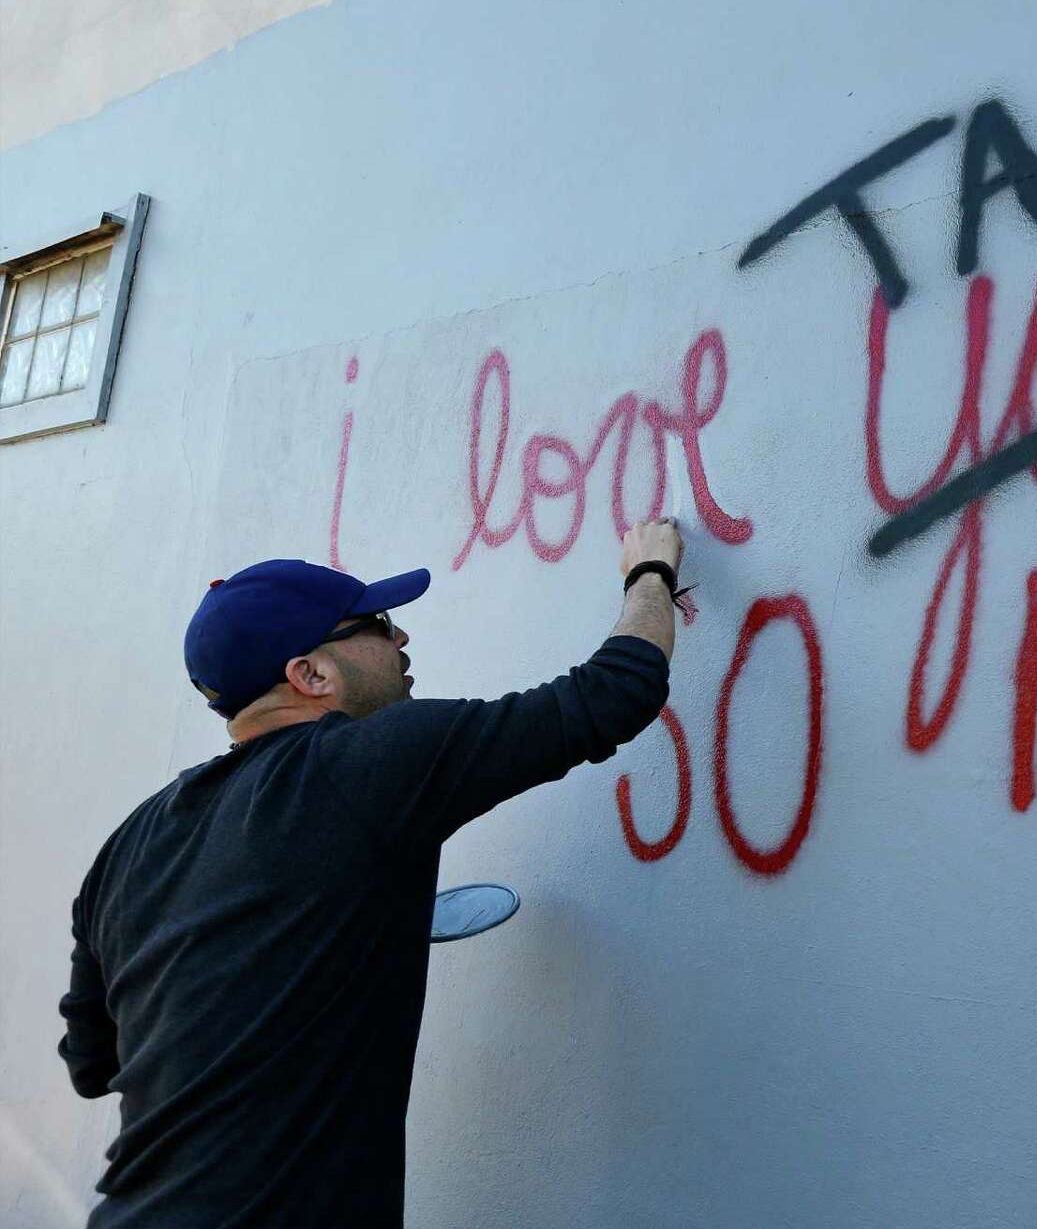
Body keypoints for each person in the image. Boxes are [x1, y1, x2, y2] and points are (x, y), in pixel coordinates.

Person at [57, 518, 686, 1228]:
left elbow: (93, 1065)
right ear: (312, 674)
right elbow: (612, 694)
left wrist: (308, 944)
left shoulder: (127, 845)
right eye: (379, 624)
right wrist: (650, 574)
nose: (401, 639)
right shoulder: (364, 764)